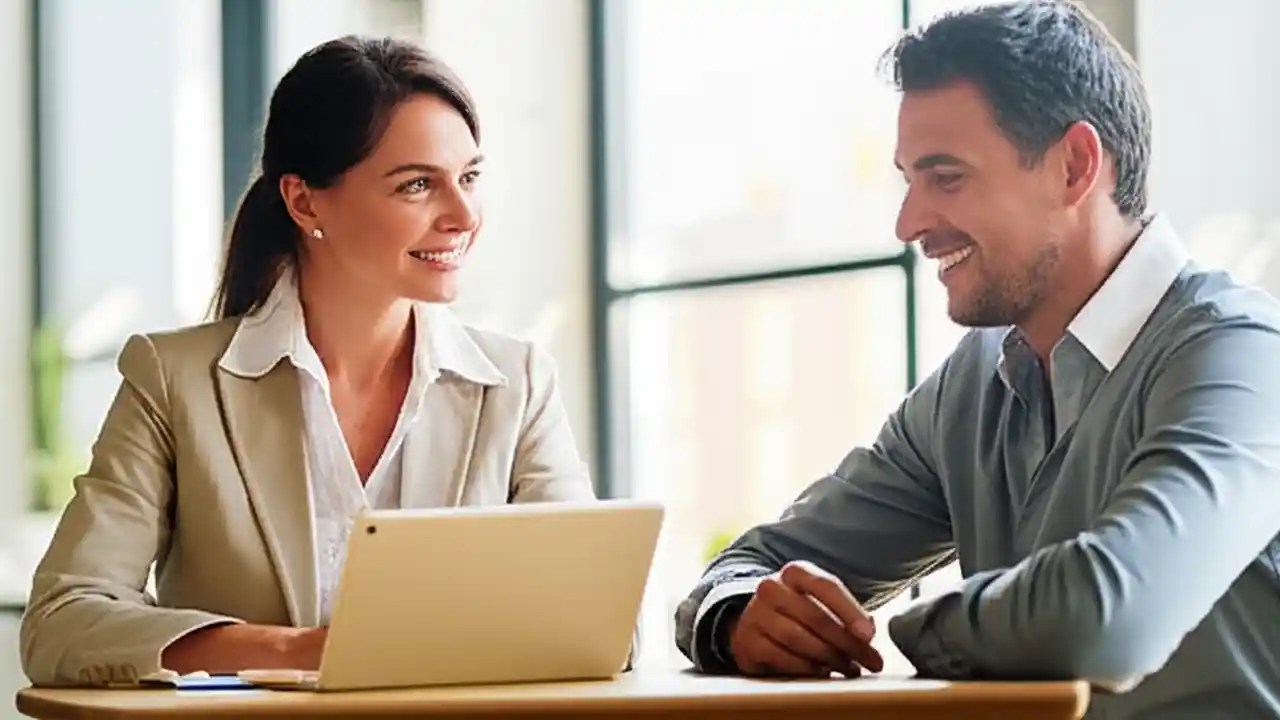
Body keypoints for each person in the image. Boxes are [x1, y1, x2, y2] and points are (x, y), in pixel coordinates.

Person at [675, 2, 1280, 718]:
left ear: (1075, 166)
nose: (909, 223)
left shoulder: (1241, 356)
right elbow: (745, 568)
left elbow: (1109, 618)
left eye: (946, 177)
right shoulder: (971, 384)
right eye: (908, 179)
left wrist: (910, 627)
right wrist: (741, 616)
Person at [21, 36, 594, 687]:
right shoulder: (173, 381)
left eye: (468, 178)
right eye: (416, 185)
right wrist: (299, 650)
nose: (463, 216)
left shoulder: (517, 385)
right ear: (304, 201)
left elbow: (601, 622)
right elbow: (62, 622)